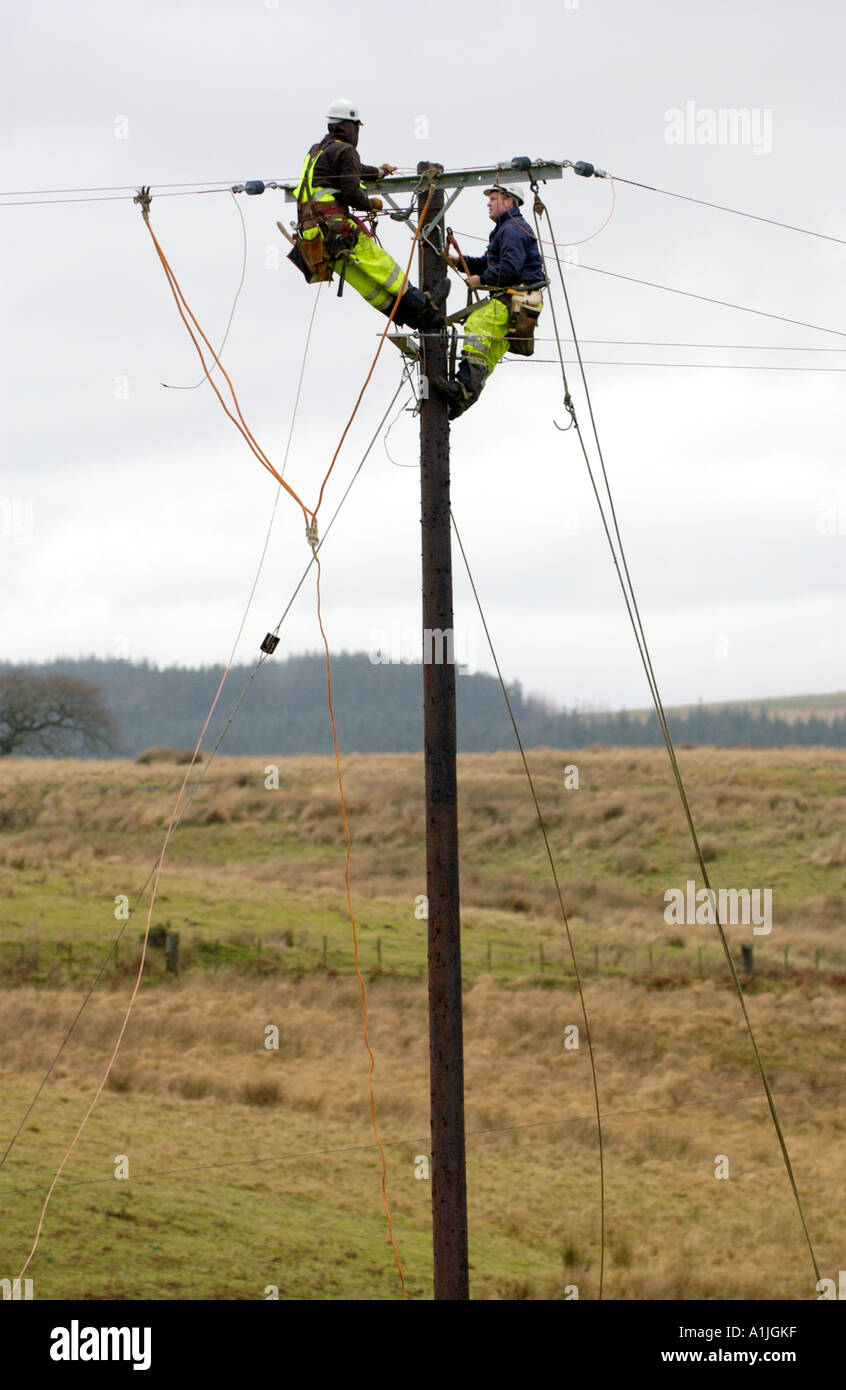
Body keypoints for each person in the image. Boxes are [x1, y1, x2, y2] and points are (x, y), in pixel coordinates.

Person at [290, 99, 448, 329]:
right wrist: (370, 204)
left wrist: (379, 172)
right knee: (381, 264)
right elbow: (352, 191)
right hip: (336, 228)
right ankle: (423, 304)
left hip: (313, 237)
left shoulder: (316, 151)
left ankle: (413, 320)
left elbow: (352, 172)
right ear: (350, 126)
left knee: (366, 284)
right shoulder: (346, 150)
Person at [433, 186, 544, 418]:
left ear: (509, 202)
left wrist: (480, 280)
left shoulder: (512, 229)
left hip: (514, 298)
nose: (489, 203)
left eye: (494, 199)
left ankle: (464, 387)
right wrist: (459, 261)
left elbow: (510, 269)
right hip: (521, 302)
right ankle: (465, 397)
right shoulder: (507, 229)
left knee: (477, 325)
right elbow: (488, 263)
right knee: (490, 350)